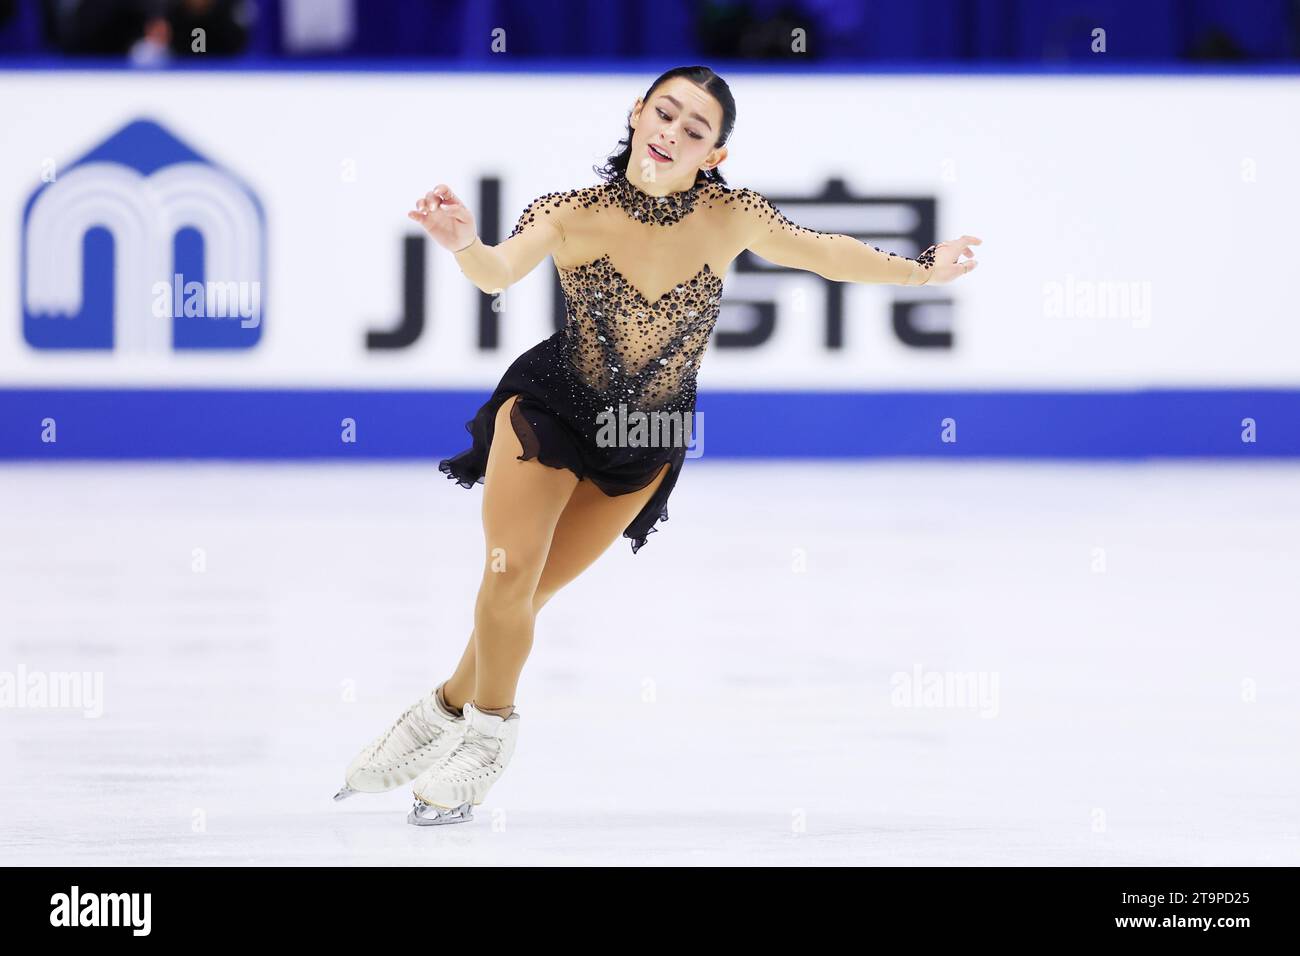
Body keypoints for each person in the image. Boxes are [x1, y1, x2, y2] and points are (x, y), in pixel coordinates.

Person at [334, 66, 981, 825]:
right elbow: (498, 270)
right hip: (548, 415)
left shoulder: (732, 216)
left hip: (646, 438)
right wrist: (464, 244)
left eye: (695, 128)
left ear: (714, 155)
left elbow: (825, 251)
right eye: (664, 112)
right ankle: (488, 735)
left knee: (530, 596)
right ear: (637, 113)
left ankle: (440, 711)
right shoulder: (572, 211)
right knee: (509, 579)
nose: (672, 131)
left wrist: (918, 272)